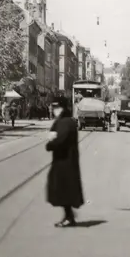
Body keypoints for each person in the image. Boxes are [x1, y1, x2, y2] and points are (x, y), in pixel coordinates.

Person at [46, 96, 84, 228]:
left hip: (65, 162)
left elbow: (59, 140)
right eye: (53, 107)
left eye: (56, 107)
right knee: (62, 189)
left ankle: (69, 217)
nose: (53, 109)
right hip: (63, 161)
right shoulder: (63, 121)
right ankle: (69, 216)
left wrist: (50, 144)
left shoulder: (65, 122)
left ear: (61, 108)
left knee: (63, 189)